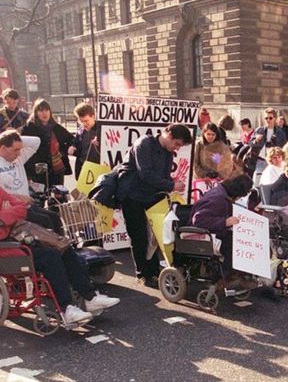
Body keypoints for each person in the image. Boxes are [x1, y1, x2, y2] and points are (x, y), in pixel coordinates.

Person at [0, 148, 119, 325]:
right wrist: (7, 218)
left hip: (9, 239)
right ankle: (66, 308)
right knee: (50, 256)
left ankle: (90, 297)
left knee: (62, 245)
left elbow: (20, 208)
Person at [117, 124, 192, 287]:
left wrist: (170, 183)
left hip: (152, 194)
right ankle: (143, 273)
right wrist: (171, 186)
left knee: (159, 234)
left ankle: (155, 269)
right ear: (169, 135)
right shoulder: (144, 144)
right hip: (132, 194)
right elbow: (146, 174)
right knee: (139, 236)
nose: (177, 148)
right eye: (177, 144)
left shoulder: (168, 151)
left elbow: (161, 176)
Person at [190, 174, 258, 290]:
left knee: (240, 240)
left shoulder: (221, 193)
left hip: (213, 231)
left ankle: (238, 274)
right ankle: (227, 278)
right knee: (235, 246)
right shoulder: (218, 199)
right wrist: (225, 222)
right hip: (201, 234)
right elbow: (198, 220)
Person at [21, 98, 73, 187]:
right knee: (41, 195)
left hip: (57, 168)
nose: (44, 113)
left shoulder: (56, 127)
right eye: (41, 111)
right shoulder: (29, 128)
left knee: (58, 195)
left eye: (47, 110)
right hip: (38, 168)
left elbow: (71, 139)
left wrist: (67, 149)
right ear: (36, 113)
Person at [250, 107, 288, 183]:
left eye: (270, 118)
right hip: (261, 160)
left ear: (275, 118)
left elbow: (283, 148)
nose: (268, 120)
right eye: (266, 118)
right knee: (257, 182)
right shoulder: (259, 130)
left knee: (273, 182)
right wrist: (256, 140)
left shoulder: (280, 133)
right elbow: (250, 143)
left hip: (274, 161)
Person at [67, 102, 100, 180]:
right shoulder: (81, 129)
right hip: (82, 167)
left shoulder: (101, 129)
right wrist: (73, 147)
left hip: (97, 168)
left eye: (86, 121)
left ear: (93, 116)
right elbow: (76, 141)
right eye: (81, 121)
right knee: (82, 191)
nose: (84, 124)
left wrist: (100, 143)